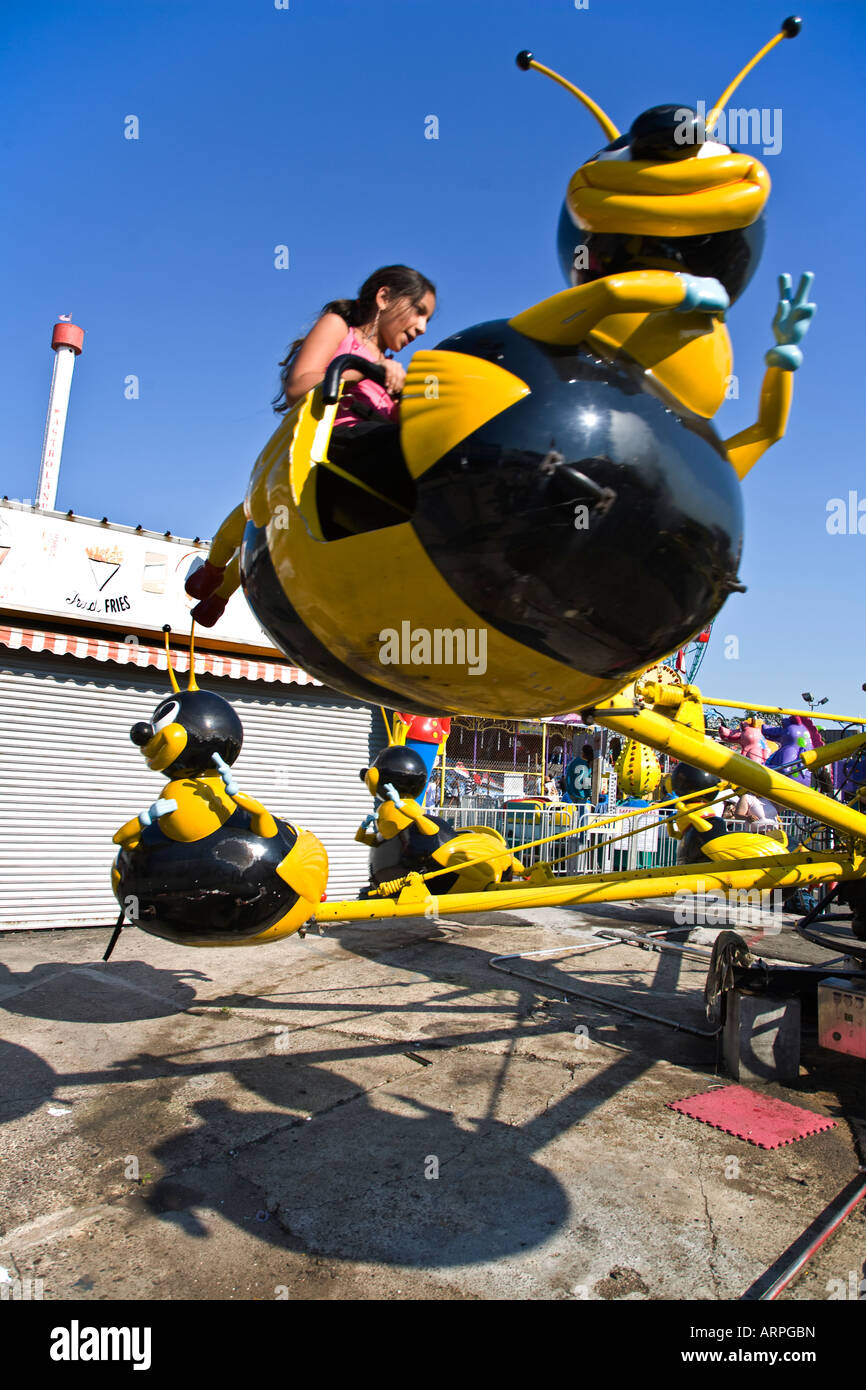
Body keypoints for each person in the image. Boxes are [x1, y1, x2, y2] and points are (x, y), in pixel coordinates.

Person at [186, 265, 436, 623]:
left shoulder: (392, 368)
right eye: (419, 312)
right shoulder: (340, 329)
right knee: (253, 511)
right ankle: (213, 570)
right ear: (384, 298)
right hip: (327, 445)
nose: (423, 328)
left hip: (366, 450)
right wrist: (364, 371)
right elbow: (298, 385)